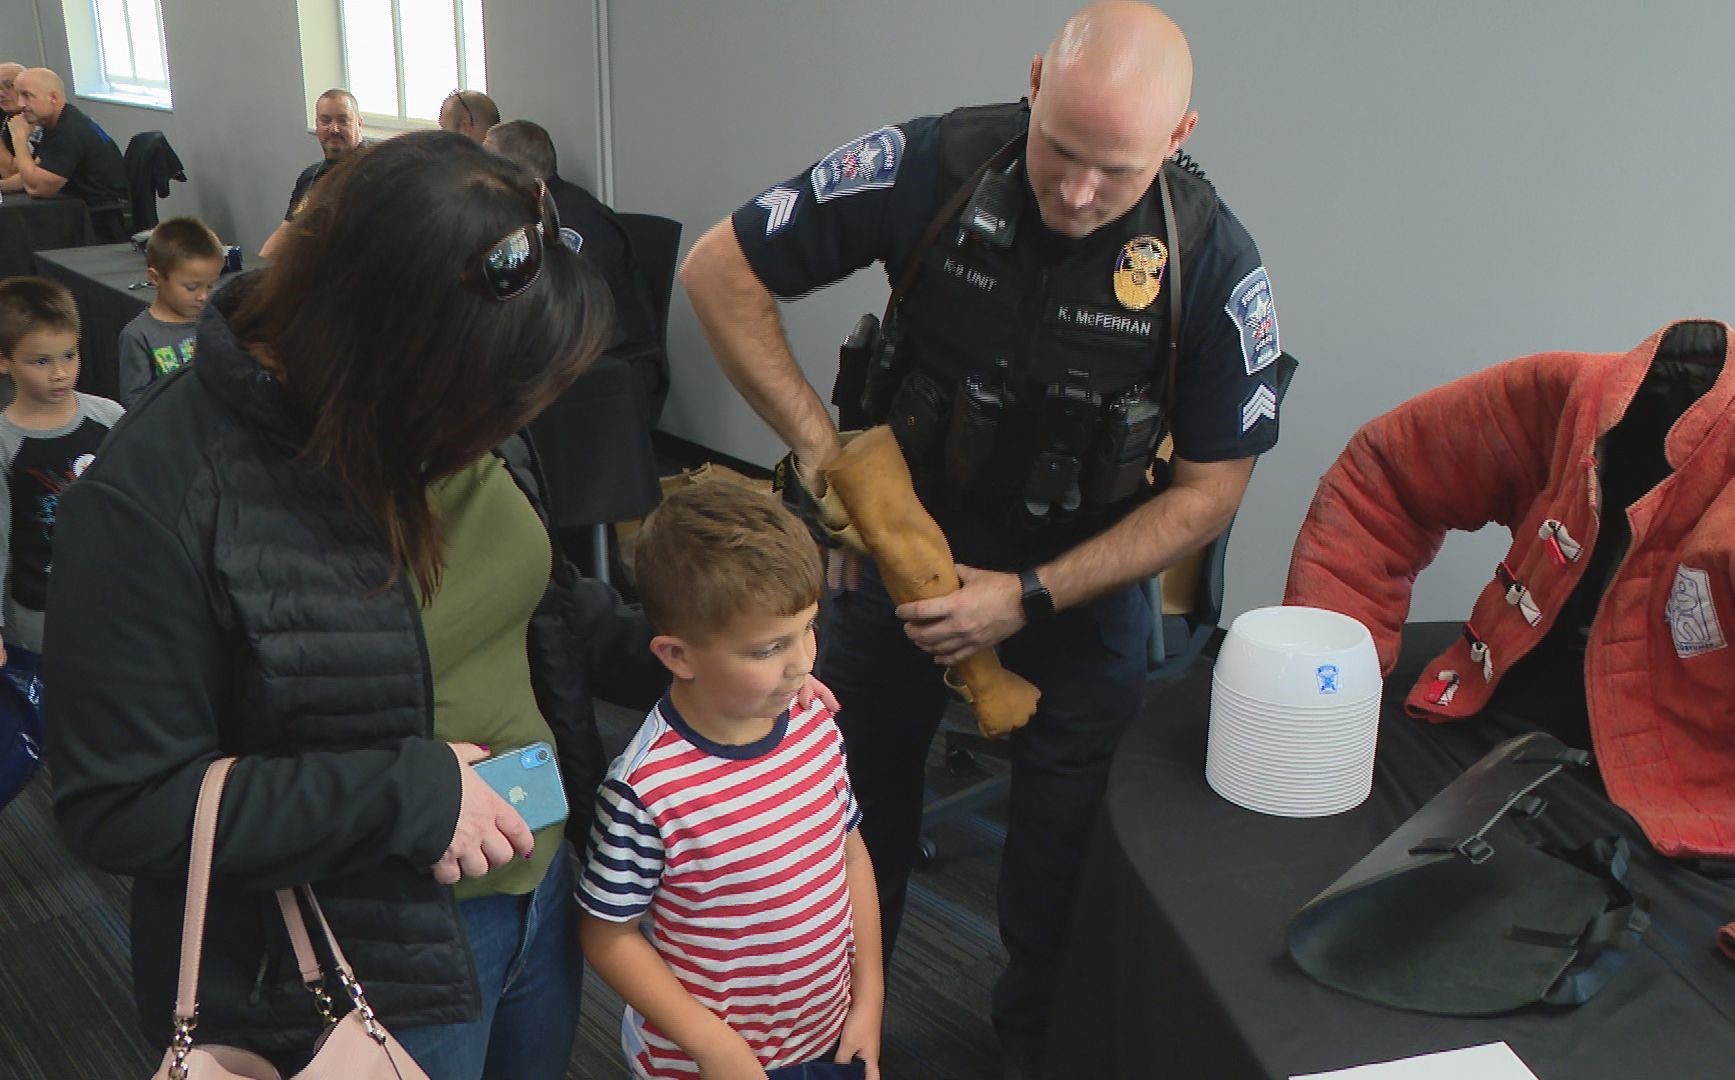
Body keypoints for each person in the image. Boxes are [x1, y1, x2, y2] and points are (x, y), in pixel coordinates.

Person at [679, 2, 1290, 1067]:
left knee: (1063, 866)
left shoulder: (1213, 262)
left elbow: (1208, 494)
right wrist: (824, 454)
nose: (1077, 193)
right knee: (842, 826)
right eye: (1060, 150)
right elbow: (717, 270)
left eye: (1115, 171)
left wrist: (1027, 595)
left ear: (1179, 138)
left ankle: (1034, 1053)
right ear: (1034, 81)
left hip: (1076, 592)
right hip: (896, 566)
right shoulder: (932, 164)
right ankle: (842, 1045)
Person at [45, 132, 671, 1080]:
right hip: (352, 967)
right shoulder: (158, 498)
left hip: (537, 891)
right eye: (492, 400)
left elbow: (530, 603)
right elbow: (121, 804)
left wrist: (690, 648)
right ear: (398, 355)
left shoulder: (458, 411)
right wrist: (405, 796)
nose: (503, 426)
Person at [1283, 319, 1735, 1015]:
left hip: (1700, 831)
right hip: (1485, 732)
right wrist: (1323, 688)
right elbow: (1388, 475)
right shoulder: (1564, 400)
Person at [578, 481, 882, 1080]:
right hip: (706, 1065)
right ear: (678, 656)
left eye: (808, 628)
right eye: (769, 649)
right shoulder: (648, 788)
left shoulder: (815, 723)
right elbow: (608, 935)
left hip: (829, 1036)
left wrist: (870, 995)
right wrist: (712, 1046)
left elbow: (849, 853)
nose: (803, 662)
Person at [485, 118, 664, 402]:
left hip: (615, 368)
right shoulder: (534, 212)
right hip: (576, 357)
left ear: (513, 169)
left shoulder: (571, 220)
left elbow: (567, 310)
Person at [0, 276, 123, 665]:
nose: (59, 373)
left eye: (69, 355)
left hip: (118, 599)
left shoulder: (110, 417)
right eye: (41, 361)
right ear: (4, 360)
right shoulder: (4, 442)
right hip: (41, 613)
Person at [1, 69, 131, 240]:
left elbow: (37, 188)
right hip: (82, 210)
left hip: (102, 221)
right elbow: (37, 170)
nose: (20, 103)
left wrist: (19, 139)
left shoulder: (69, 132)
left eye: (27, 96)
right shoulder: (58, 121)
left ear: (53, 98)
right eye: (19, 95)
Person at [117, 215, 223, 404]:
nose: (203, 296)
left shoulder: (216, 322)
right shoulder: (138, 335)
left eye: (210, 286)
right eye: (192, 287)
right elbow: (135, 403)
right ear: (155, 278)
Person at [258, 88, 364, 259]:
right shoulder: (310, 176)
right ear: (317, 125)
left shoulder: (376, 173)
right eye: (325, 121)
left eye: (343, 120)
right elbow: (286, 231)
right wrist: (257, 268)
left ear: (359, 123)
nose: (334, 129)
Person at [0, 61, 24, 180]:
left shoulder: (42, 119)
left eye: (9, 86)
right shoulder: (3, 112)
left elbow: (11, 174)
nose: (1, 93)